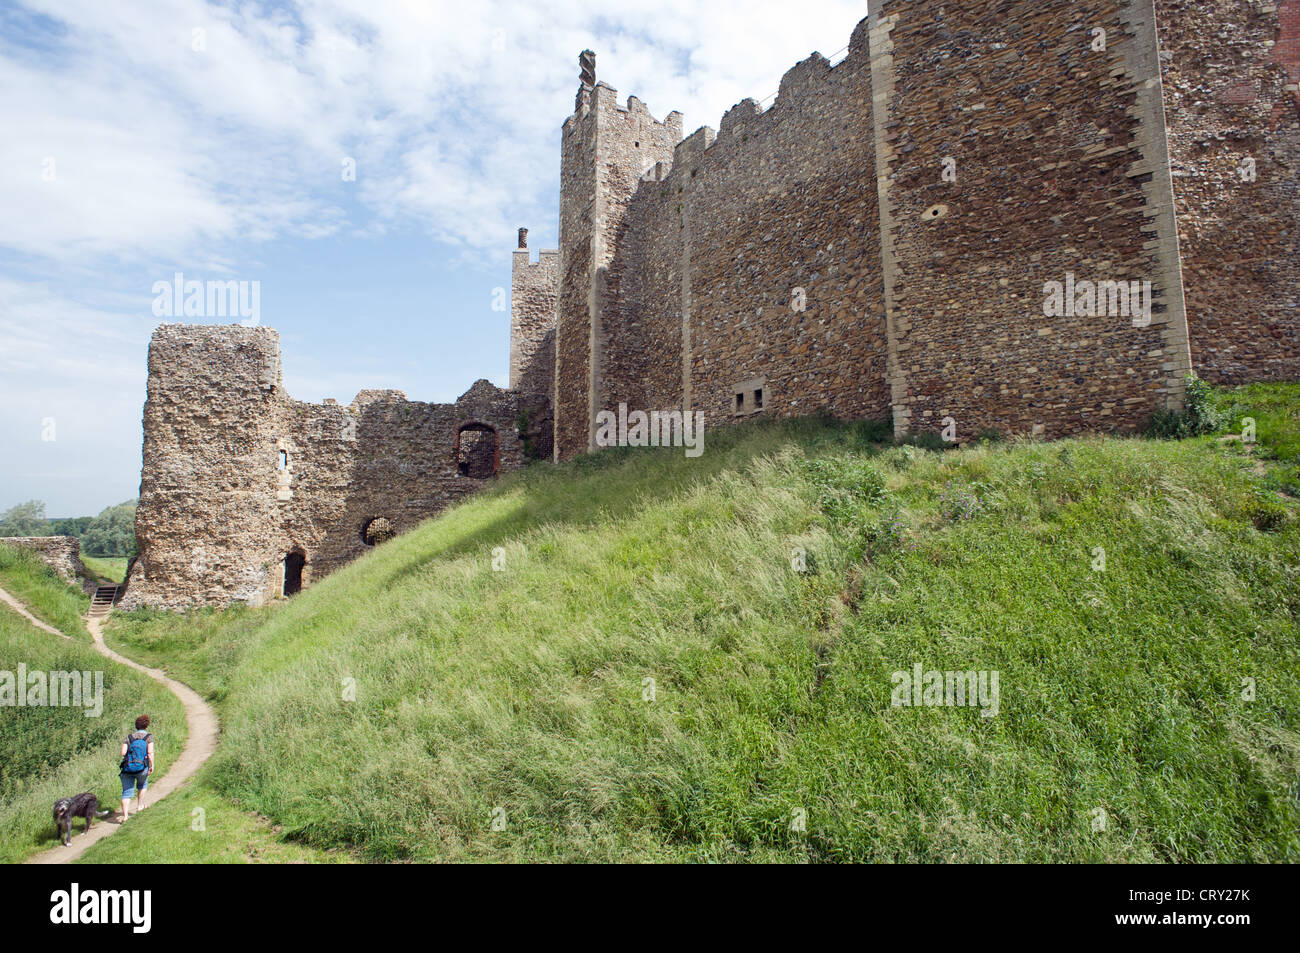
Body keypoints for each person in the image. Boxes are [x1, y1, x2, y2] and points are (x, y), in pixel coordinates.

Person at [119, 715, 155, 821]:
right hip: (142, 768)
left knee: (126, 792)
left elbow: (122, 753)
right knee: (142, 785)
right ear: (146, 725)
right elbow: (150, 752)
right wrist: (152, 765)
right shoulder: (148, 737)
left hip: (127, 768)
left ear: (136, 726)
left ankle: (125, 816)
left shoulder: (129, 737)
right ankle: (139, 806)